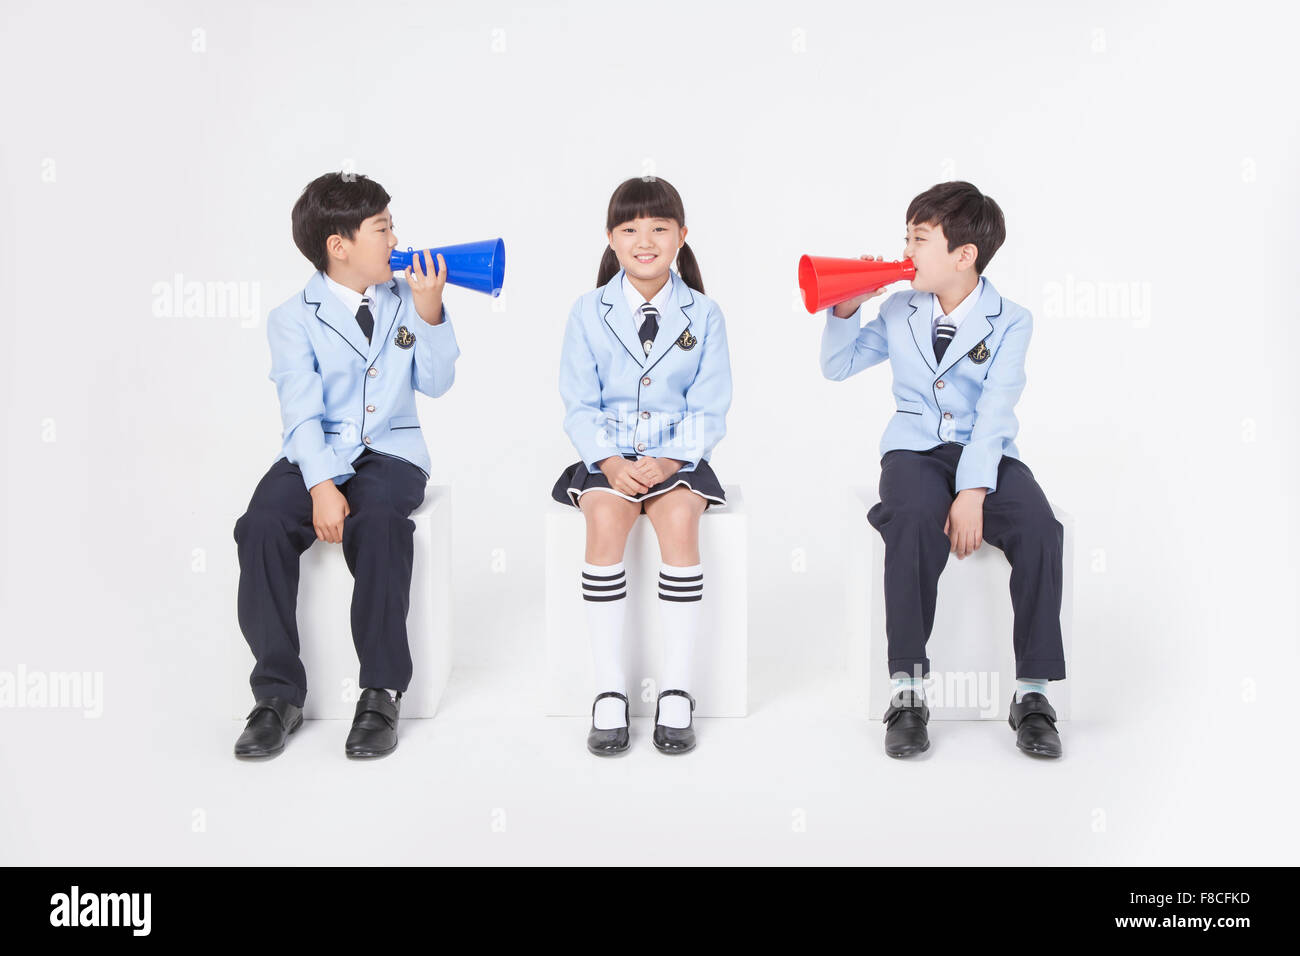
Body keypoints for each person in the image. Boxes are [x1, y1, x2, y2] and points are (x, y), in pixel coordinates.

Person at [821, 181, 1065, 759]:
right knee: (908, 519)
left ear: (964, 255)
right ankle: (907, 689)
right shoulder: (901, 306)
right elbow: (838, 365)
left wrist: (973, 490)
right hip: (911, 450)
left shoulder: (1012, 320)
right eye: (906, 236)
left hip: (987, 450)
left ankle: (1032, 691)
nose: (906, 252)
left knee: (1039, 528)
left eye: (920, 240)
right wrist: (848, 304)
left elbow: (997, 409)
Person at [232, 171, 459, 759]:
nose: (394, 239)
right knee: (260, 526)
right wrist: (322, 483)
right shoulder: (291, 318)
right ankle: (277, 693)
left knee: (380, 523)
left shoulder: (408, 297)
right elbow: (299, 413)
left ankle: (381, 690)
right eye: (382, 228)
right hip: (318, 448)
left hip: (391, 451)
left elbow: (436, 382)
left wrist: (431, 312)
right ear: (340, 245)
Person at [552, 176, 733, 756]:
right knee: (605, 521)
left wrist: (667, 461)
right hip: (607, 456)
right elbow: (578, 403)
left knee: (680, 521)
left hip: (678, 456)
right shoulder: (587, 311)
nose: (645, 239)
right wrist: (608, 460)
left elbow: (710, 406)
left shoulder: (704, 314)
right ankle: (610, 690)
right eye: (630, 229)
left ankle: (676, 689)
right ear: (611, 238)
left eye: (659, 227)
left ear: (682, 236)